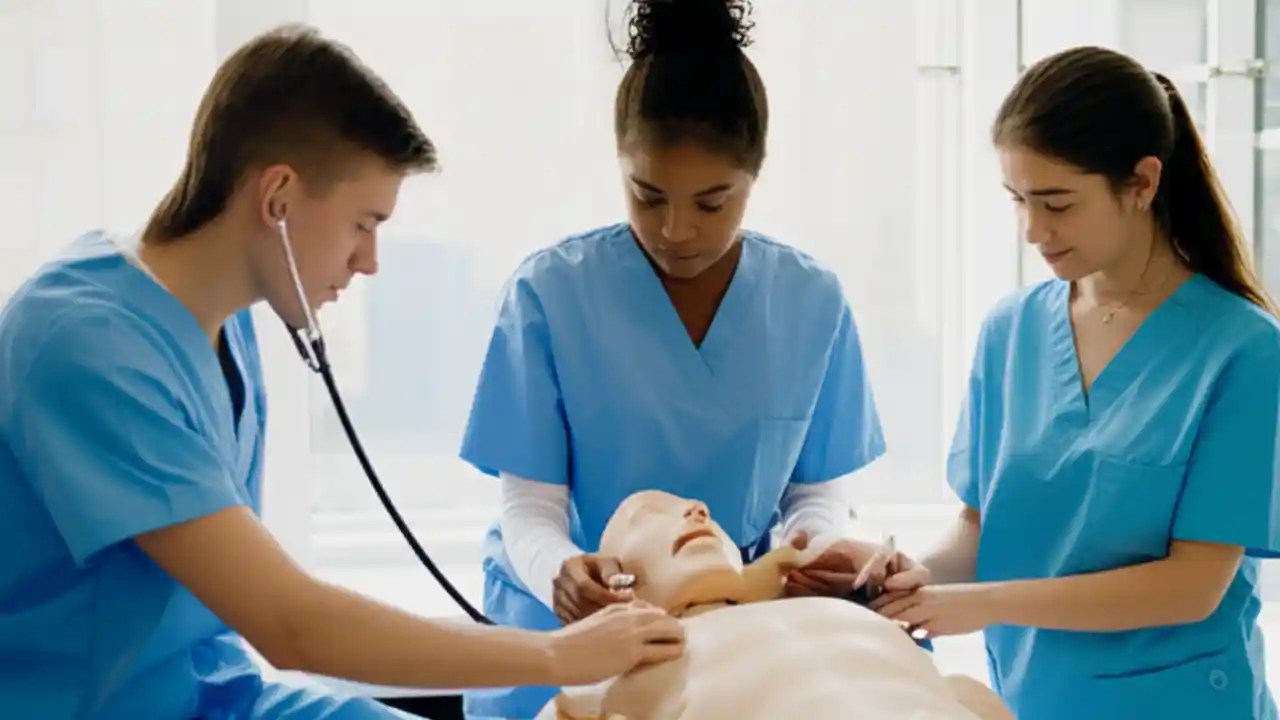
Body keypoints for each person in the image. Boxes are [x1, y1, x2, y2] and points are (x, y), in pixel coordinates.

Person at [0, 24, 686, 720]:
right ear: (278, 198)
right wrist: (556, 656)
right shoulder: (86, 347)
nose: (370, 261)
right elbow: (289, 624)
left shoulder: (226, 326)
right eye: (364, 223)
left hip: (214, 697)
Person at [458, 1, 892, 717]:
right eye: (647, 195)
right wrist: (562, 572)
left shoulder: (809, 301)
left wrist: (808, 553)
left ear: (754, 176)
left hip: (729, 642)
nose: (675, 230)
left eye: (712, 203)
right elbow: (529, 507)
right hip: (563, 639)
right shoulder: (551, 295)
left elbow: (814, 492)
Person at [868, 46, 1280, 720]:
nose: (1033, 230)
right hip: (1031, 700)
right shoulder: (1011, 332)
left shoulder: (1243, 350)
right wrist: (913, 578)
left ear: (1142, 183)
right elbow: (980, 529)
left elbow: (1193, 585)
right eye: (1018, 201)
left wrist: (981, 605)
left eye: (1056, 203)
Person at [532, 490, 1014, 720]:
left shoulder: (845, 613)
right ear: (614, 584)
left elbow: (970, 699)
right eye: (647, 516)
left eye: (702, 509)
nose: (697, 509)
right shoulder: (614, 684)